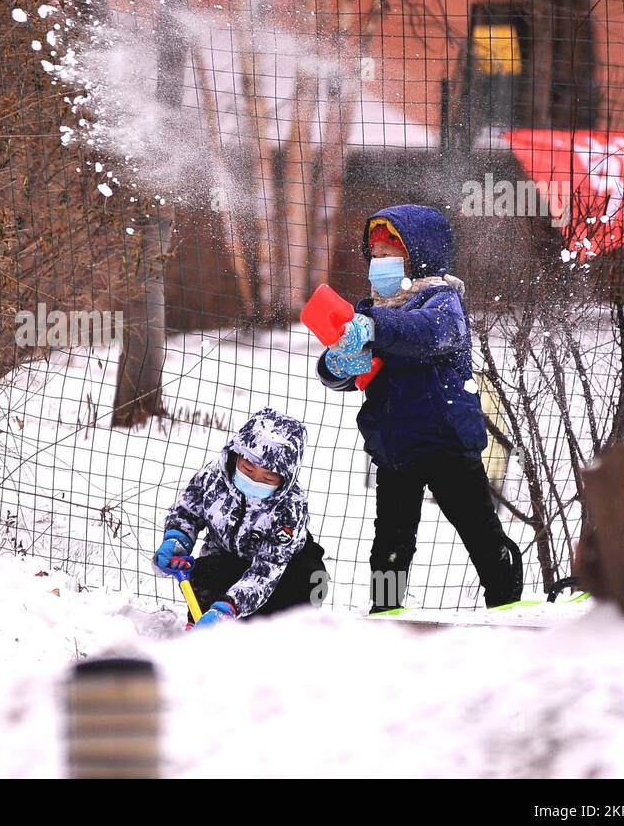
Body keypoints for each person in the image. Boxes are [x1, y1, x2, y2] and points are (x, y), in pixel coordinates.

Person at [317, 204, 523, 611]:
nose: (378, 264)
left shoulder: (442, 301)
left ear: (418, 256)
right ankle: (386, 606)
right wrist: (338, 363)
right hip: (395, 449)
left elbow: (426, 334)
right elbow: (340, 371)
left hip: (445, 441)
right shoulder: (370, 313)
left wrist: (375, 329)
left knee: (477, 527)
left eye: (389, 255)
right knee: (391, 539)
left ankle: (504, 596)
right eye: (374, 255)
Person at [155, 408, 328, 627]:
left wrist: (230, 606)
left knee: (308, 585)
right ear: (236, 455)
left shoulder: (289, 507)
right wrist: (176, 540)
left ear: (285, 478)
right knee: (204, 575)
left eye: (268, 477)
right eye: (247, 468)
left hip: (284, 568)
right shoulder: (213, 478)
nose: (255, 480)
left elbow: (266, 571)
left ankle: (277, 631)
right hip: (227, 555)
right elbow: (187, 512)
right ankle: (203, 624)